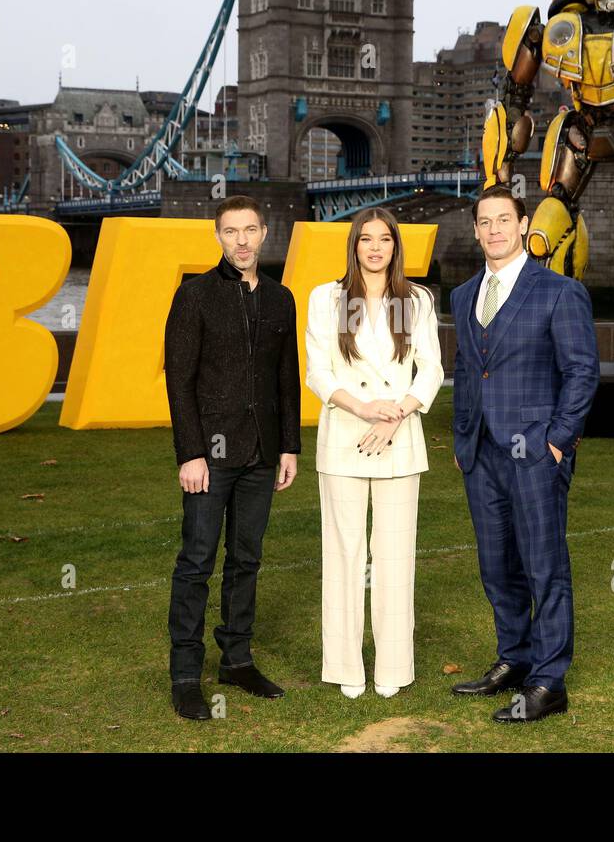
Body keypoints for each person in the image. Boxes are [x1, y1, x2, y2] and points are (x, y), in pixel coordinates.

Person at [449, 183, 599, 723]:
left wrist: (557, 442)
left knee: (544, 567)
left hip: (536, 453)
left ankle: (548, 681)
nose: (493, 230)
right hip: (481, 454)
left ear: (522, 224)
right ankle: (513, 659)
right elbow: (470, 371)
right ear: (476, 230)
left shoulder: (558, 291)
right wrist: (462, 435)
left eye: (502, 220)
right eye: (484, 222)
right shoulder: (464, 295)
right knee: (496, 566)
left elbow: (582, 372)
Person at [163, 195, 302, 721]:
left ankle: (237, 659)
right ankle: (184, 673)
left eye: (249, 230)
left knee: (247, 559)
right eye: (230, 232)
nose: (241, 241)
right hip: (210, 457)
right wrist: (191, 453)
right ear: (217, 237)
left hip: (262, 453)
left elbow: (285, 378)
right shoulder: (194, 296)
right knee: (197, 562)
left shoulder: (280, 298)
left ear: (264, 233)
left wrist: (289, 444)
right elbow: (180, 379)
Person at [305, 207, 444, 700]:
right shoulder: (329, 297)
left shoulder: (416, 299)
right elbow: (319, 372)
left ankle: (393, 667)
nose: (375, 247)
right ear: (354, 245)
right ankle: (346, 666)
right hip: (345, 435)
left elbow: (430, 369)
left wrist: (395, 415)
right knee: (343, 554)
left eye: (384, 239)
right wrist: (366, 409)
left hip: (399, 439)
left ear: (395, 246)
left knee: (394, 557)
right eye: (366, 239)